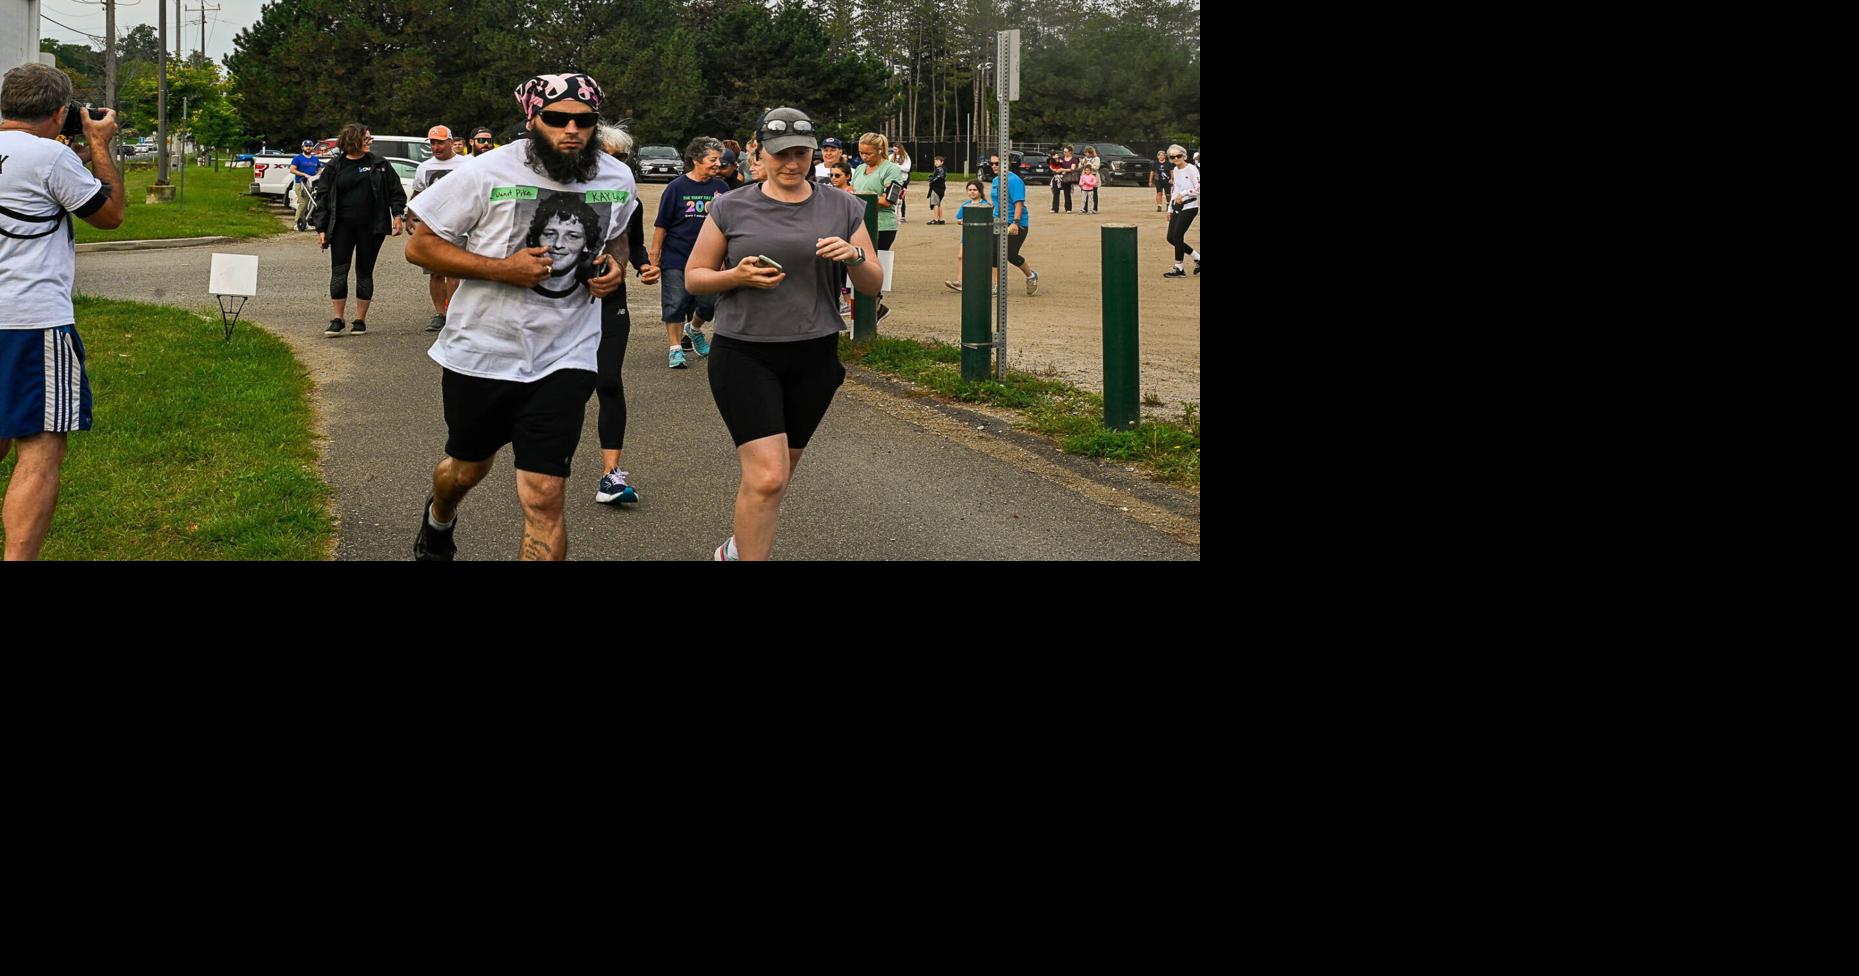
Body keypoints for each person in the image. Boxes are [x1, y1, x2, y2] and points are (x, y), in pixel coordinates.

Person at [403, 71, 639, 560]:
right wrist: (501, 270)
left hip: (565, 354)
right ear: (532, 119)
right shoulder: (484, 171)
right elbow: (420, 247)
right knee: (465, 470)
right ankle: (439, 517)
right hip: (483, 351)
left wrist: (615, 265)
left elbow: (617, 235)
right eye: (557, 119)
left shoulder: (616, 177)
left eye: (584, 120)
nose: (571, 130)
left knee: (545, 494)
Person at [682, 107, 881, 561]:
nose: (792, 163)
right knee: (768, 477)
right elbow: (695, 277)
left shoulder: (843, 205)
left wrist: (853, 256)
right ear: (759, 154)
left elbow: (870, 284)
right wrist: (735, 277)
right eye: (780, 154)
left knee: (774, 479)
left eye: (801, 153)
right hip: (745, 353)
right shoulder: (731, 204)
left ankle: (736, 548)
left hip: (813, 356)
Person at [0, 63, 126, 561]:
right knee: (41, 443)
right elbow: (110, 214)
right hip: (30, 320)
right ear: (60, 112)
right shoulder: (51, 158)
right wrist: (98, 145)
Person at [588, 122, 660, 505]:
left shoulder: (628, 193)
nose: (615, 165)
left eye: (621, 158)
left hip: (611, 298)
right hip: (565, 302)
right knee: (566, 389)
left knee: (609, 382)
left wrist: (644, 265)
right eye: (606, 156)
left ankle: (610, 475)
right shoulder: (564, 191)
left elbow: (632, 243)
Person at [310, 125, 404, 336]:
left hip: (372, 227)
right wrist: (321, 228)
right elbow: (323, 197)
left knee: (364, 271)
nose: (370, 141)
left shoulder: (379, 164)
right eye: (366, 138)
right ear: (353, 140)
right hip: (342, 227)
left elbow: (395, 191)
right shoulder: (335, 167)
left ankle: (360, 320)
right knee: (339, 271)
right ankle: (337, 318)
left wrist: (397, 215)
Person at [651, 136, 729, 368]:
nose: (718, 164)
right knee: (674, 302)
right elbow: (661, 225)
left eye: (719, 160)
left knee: (708, 303)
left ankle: (693, 329)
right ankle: (675, 348)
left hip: (709, 258)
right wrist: (654, 259)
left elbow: (727, 225)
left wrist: (725, 258)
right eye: (713, 159)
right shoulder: (676, 187)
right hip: (677, 255)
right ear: (696, 159)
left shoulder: (721, 188)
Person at [409, 125, 469, 332]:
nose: (436, 147)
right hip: (433, 226)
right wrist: (409, 215)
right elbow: (418, 193)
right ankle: (439, 314)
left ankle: (453, 313)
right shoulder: (424, 167)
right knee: (435, 273)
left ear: (451, 142)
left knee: (454, 272)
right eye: (433, 143)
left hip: (460, 225)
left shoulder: (467, 163)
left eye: (440, 142)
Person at [851, 131, 905, 323]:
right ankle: (867, 308)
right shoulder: (858, 169)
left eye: (869, 154)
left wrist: (861, 199)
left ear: (880, 150)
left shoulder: (891, 170)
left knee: (873, 264)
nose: (864, 157)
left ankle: (875, 306)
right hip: (859, 224)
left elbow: (889, 199)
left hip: (883, 225)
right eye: (861, 153)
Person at [942, 179, 995, 292]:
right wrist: (963, 221)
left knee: (981, 259)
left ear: (980, 191)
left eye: (974, 190)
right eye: (969, 190)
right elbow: (959, 219)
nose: (972, 192)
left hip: (981, 237)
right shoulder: (965, 205)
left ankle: (987, 282)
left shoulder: (986, 205)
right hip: (966, 236)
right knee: (961, 256)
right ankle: (960, 282)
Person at [1162, 143, 1201, 278]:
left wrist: (1184, 194)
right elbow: (1175, 190)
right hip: (1178, 207)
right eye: (1172, 157)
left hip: (1190, 207)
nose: (1176, 159)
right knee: (1170, 238)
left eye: (1178, 156)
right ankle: (1198, 258)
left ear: (1184, 156)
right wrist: (1170, 208)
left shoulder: (1191, 169)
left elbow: (1198, 188)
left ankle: (1179, 268)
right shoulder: (1176, 170)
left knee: (1177, 236)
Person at [288, 138, 321, 231]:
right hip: (300, 183)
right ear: (302, 147)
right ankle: (296, 223)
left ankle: (304, 223)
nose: (308, 148)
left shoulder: (315, 159)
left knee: (307, 204)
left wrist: (318, 174)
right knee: (303, 203)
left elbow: (319, 169)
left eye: (310, 146)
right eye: (306, 146)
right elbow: (292, 169)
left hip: (310, 184)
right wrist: (304, 174)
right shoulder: (298, 158)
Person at [1048, 144, 1077, 213]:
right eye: (1064, 151)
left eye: (1066, 151)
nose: (1064, 153)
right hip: (1057, 177)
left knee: (1067, 193)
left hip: (1066, 178)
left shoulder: (1074, 160)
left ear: (1070, 152)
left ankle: (1068, 208)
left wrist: (1062, 169)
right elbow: (1051, 164)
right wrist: (1054, 169)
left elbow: (1072, 169)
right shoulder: (1060, 158)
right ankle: (1055, 208)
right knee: (1056, 193)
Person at [890, 144, 912, 221]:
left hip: (902, 180)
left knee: (901, 198)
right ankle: (893, 214)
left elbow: (907, 168)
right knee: (892, 197)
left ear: (900, 149)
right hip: (893, 179)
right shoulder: (891, 156)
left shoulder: (906, 157)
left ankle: (902, 216)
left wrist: (897, 166)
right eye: (894, 149)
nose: (894, 151)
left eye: (896, 149)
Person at [925, 154, 948, 224]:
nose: (936, 163)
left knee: (935, 204)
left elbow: (939, 176)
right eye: (935, 162)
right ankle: (941, 219)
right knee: (938, 204)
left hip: (936, 188)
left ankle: (935, 219)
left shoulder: (939, 169)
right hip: (941, 188)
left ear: (942, 162)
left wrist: (932, 179)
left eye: (938, 161)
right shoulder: (943, 168)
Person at [1151, 148, 1170, 213]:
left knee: (1168, 194)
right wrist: (1150, 181)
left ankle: (1168, 204)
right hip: (1158, 180)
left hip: (1167, 181)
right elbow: (1152, 172)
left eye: (1162, 155)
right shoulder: (1155, 163)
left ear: (1165, 156)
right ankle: (1159, 206)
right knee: (1159, 193)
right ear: (1158, 156)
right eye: (1160, 155)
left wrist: (1172, 179)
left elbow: (1171, 172)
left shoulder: (1168, 163)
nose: (1161, 156)